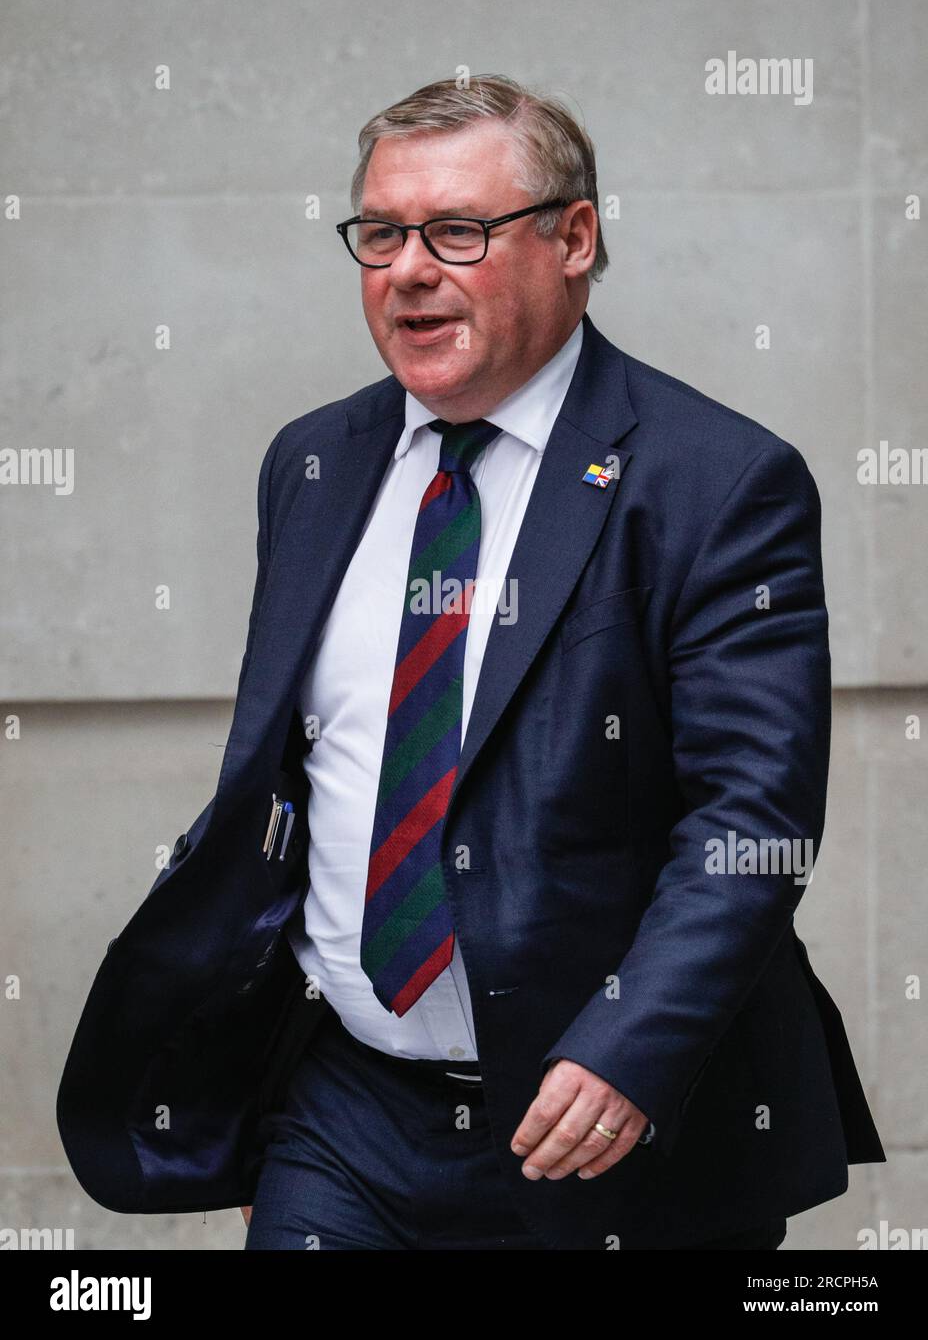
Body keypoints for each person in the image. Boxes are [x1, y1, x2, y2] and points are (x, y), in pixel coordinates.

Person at [57, 74, 884, 1251]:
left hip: (603, 1123)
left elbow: (750, 816)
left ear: (575, 239)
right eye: (380, 234)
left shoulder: (714, 480)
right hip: (345, 1111)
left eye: (456, 231)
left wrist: (629, 1047)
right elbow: (295, 776)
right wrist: (253, 1084)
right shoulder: (312, 464)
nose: (406, 269)